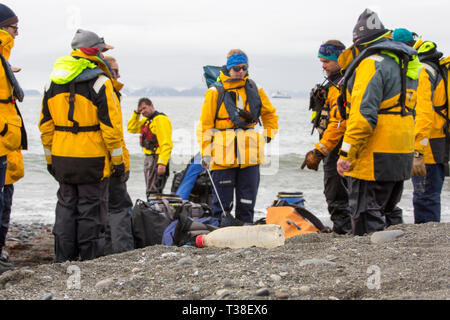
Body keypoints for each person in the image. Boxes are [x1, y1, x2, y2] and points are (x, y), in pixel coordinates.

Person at [39, 29, 126, 262]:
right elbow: (112, 129)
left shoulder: (52, 82)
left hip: (61, 156)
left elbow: (46, 127)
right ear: (95, 52)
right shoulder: (101, 82)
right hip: (92, 159)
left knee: (66, 206)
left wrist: (50, 159)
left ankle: (63, 260)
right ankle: (89, 261)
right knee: (91, 209)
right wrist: (118, 162)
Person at [336, 9, 420, 236]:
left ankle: (371, 268)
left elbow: (362, 118)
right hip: (401, 152)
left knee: (366, 217)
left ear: (357, 41)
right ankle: (396, 263)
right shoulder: (405, 63)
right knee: (390, 213)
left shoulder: (370, 64)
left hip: (373, 157)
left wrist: (346, 154)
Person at [197, 49, 279, 224]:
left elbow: (270, 114)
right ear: (228, 68)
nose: (241, 72)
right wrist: (205, 152)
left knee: (247, 203)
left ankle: (246, 235)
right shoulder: (214, 92)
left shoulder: (255, 89)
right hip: (221, 158)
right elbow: (205, 126)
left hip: (250, 157)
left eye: (244, 68)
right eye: (236, 68)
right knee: (222, 207)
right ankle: (220, 234)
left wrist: (268, 135)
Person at [393, 29, 447, 224]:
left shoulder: (422, 71)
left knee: (425, 197)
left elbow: (423, 114)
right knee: (430, 195)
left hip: (429, 146)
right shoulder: (434, 66)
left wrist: (418, 152)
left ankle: (429, 232)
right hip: (438, 140)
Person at [301, 40, 352, 234]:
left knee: (336, 192)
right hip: (338, 146)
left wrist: (320, 150)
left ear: (339, 59)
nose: (323, 65)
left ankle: (344, 230)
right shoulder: (334, 84)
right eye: (321, 61)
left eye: (327, 61)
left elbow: (338, 124)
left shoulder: (341, 86)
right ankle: (349, 229)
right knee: (342, 191)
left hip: (338, 147)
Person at [0, 3, 27, 273]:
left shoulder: (3, 60)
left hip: (6, 146)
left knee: (5, 200)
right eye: (13, 28)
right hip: (2, 144)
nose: (16, 34)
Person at [101, 55, 134, 254]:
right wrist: (119, 162)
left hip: (91, 162)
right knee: (119, 206)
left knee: (97, 208)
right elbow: (113, 134)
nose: (119, 75)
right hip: (109, 162)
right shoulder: (107, 91)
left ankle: (101, 251)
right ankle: (123, 251)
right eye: (115, 71)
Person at [127, 98, 173, 199]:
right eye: (141, 110)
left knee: (154, 191)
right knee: (150, 190)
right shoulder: (146, 121)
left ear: (151, 106)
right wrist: (136, 114)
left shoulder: (161, 119)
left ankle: (155, 211)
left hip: (157, 158)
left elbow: (166, 143)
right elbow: (131, 128)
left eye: (144, 108)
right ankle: (152, 209)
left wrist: (162, 163)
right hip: (149, 159)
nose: (143, 111)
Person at [0, 151, 24, 262]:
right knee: (4, 209)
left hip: (6, 170)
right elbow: (13, 139)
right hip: (5, 170)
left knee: (4, 209)